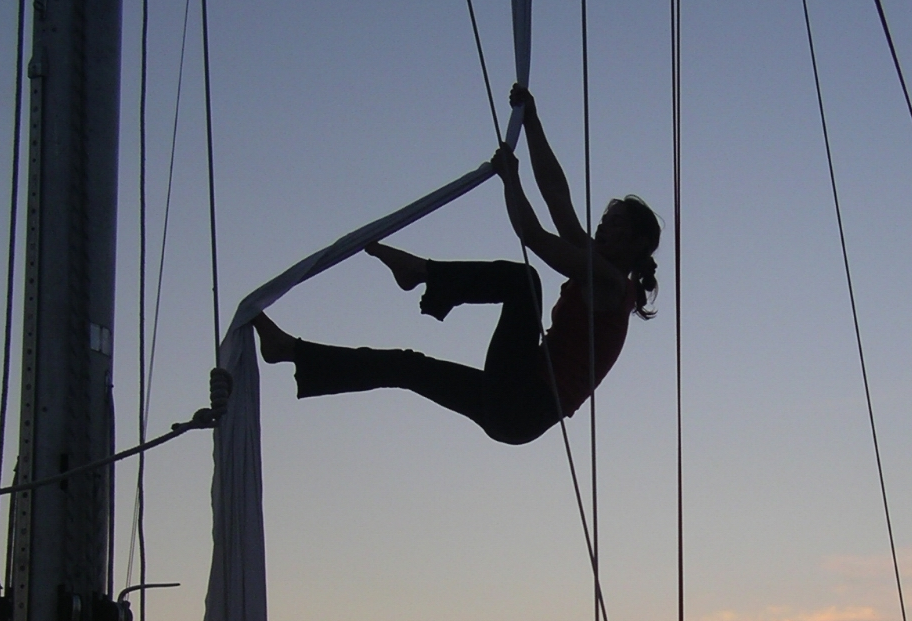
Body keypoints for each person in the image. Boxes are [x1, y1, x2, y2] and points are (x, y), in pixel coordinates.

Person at [253, 85, 661, 445]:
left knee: (525, 281)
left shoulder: (610, 283)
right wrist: (532, 122)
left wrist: (510, 178)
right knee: (405, 366)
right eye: (604, 221)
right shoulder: (597, 269)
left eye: (615, 224)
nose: (602, 227)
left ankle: (425, 273)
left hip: (525, 402)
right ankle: (290, 351)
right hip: (513, 410)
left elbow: (534, 237)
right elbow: (558, 198)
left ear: (638, 243)